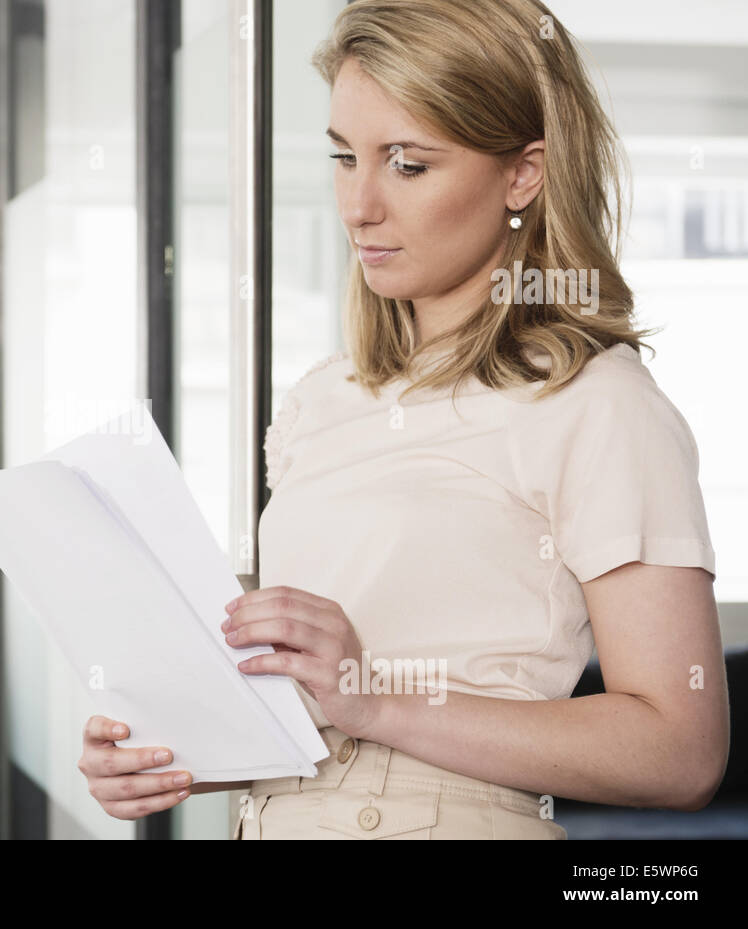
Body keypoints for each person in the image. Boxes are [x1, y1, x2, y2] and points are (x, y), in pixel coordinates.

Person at [77, 0, 729, 839]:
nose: (359, 205)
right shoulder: (324, 399)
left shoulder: (597, 400)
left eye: (408, 165)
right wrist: (175, 753)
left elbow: (681, 750)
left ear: (523, 174)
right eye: (346, 158)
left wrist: (378, 694)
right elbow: (321, 725)